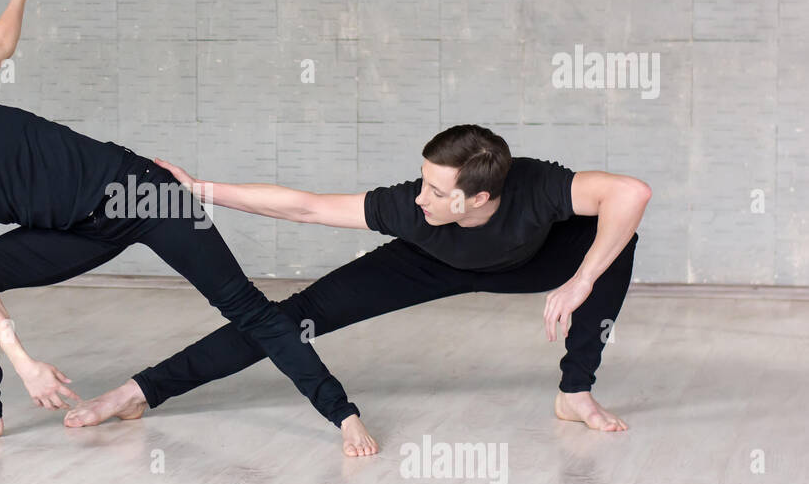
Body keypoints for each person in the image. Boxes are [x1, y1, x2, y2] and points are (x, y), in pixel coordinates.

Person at [0, 0, 377, 455]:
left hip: (143, 194)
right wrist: (24, 362)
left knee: (245, 306)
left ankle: (340, 410)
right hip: (77, 231)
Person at [66, 124, 652, 450]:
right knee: (288, 318)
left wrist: (580, 281)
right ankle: (141, 391)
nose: (418, 195)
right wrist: (202, 190)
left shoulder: (537, 185)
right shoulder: (412, 210)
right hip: (430, 261)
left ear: (478, 197)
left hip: (534, 261)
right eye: (421, 179)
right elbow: (308, 208)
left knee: (615, 247)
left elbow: (631, 194)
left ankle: (575, 392)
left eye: (434, 189)